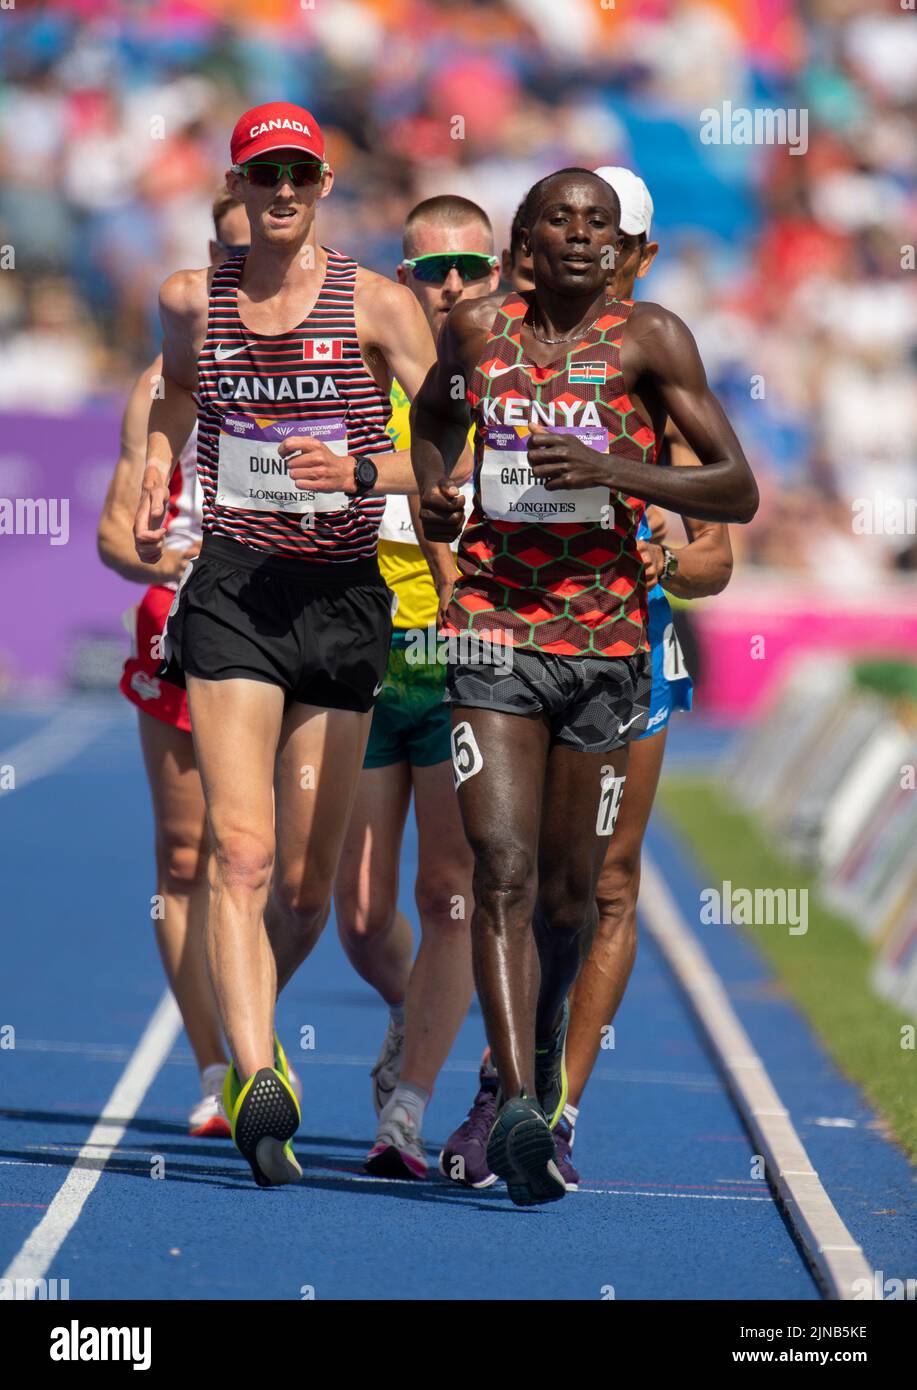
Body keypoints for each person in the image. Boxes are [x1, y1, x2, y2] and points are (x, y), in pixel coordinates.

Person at [413, 166, 757, 1206]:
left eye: (595, 224)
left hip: (604, 648)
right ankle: (517, 1106)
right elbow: (433, 416)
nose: (576, 236)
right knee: (501, 870)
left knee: (571, 895)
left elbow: (732, 486)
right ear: (522, 238)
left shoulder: (650, 338)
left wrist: (619, 473)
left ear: (616, 245)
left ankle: (545, 1057)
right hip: (490, 633)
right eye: (556, 220)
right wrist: (436, 492)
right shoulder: (474, 331)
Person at [133, 102, 438, 1188]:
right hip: (234, 593)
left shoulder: (381, 306)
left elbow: (458, 450)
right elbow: (172, 396)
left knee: (306, 887)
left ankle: (260, 1012)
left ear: (322, 183)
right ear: (238, 182)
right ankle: (254, 1079)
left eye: (299, 176)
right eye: (263, 176)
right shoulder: (188, 301)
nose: (281, 193)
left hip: (344, 598)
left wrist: (361, 473)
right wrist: (152, 470)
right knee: (238, 851)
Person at [333, 197, 496, 1179]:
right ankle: (412, 1012)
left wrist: (366, 472)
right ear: (400, 277)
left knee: (447, 890)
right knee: (353, 910)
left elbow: (469, 460)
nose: (446, 286)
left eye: (466, 268)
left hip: (459, 653)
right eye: (428, 270)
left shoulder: (505, 375)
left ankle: (409, 1106)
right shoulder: (363, 370)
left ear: (491, 275)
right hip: (362, 645)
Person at [98, 191, 249, 1137]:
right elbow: (117, 534)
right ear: (205, 263)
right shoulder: (161, 383)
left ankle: (274, 1032)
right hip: (179, 626)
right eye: (227, 262)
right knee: (187, 856)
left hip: (285, 628)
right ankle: (216, 1067)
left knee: (282, 870)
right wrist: (176, 559)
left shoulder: (331, 367)